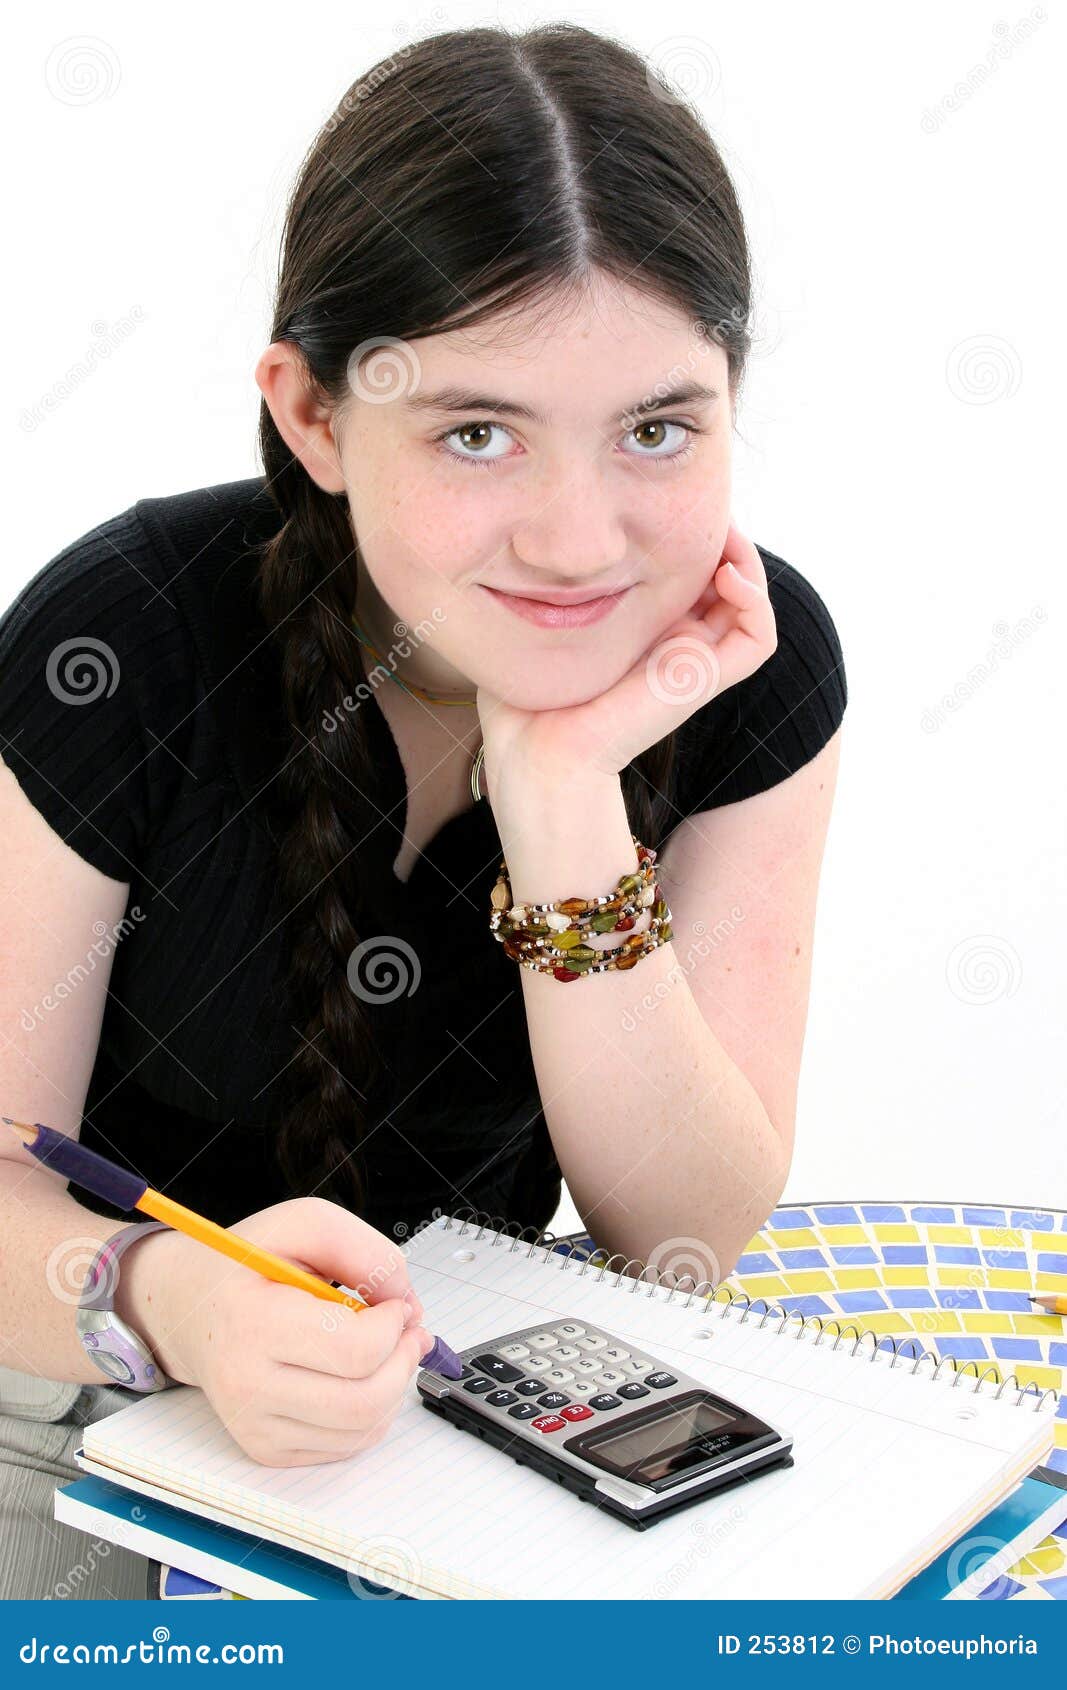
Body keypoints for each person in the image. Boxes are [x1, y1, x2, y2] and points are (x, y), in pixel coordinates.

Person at [0, 22, 847, 1599]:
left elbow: (683, 1228)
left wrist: (562, 785)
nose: (581, 540)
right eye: (476, 430)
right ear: (314, 417)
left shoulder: (744, 661)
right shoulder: (123, 641)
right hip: (69, 1365)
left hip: (465, 1397)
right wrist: (168, 1297)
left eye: (659, 428)